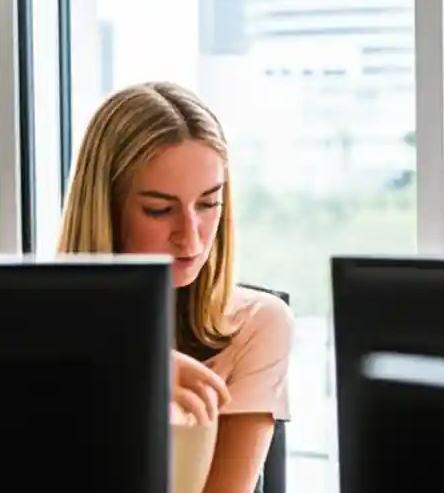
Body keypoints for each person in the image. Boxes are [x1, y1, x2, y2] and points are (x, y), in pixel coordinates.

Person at [58, 82, 292, 491]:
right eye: (159, 210)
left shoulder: (256, 325)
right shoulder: (38, 330)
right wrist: (131, 367)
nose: (191, 237)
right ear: (106, 209)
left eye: (208, 204)